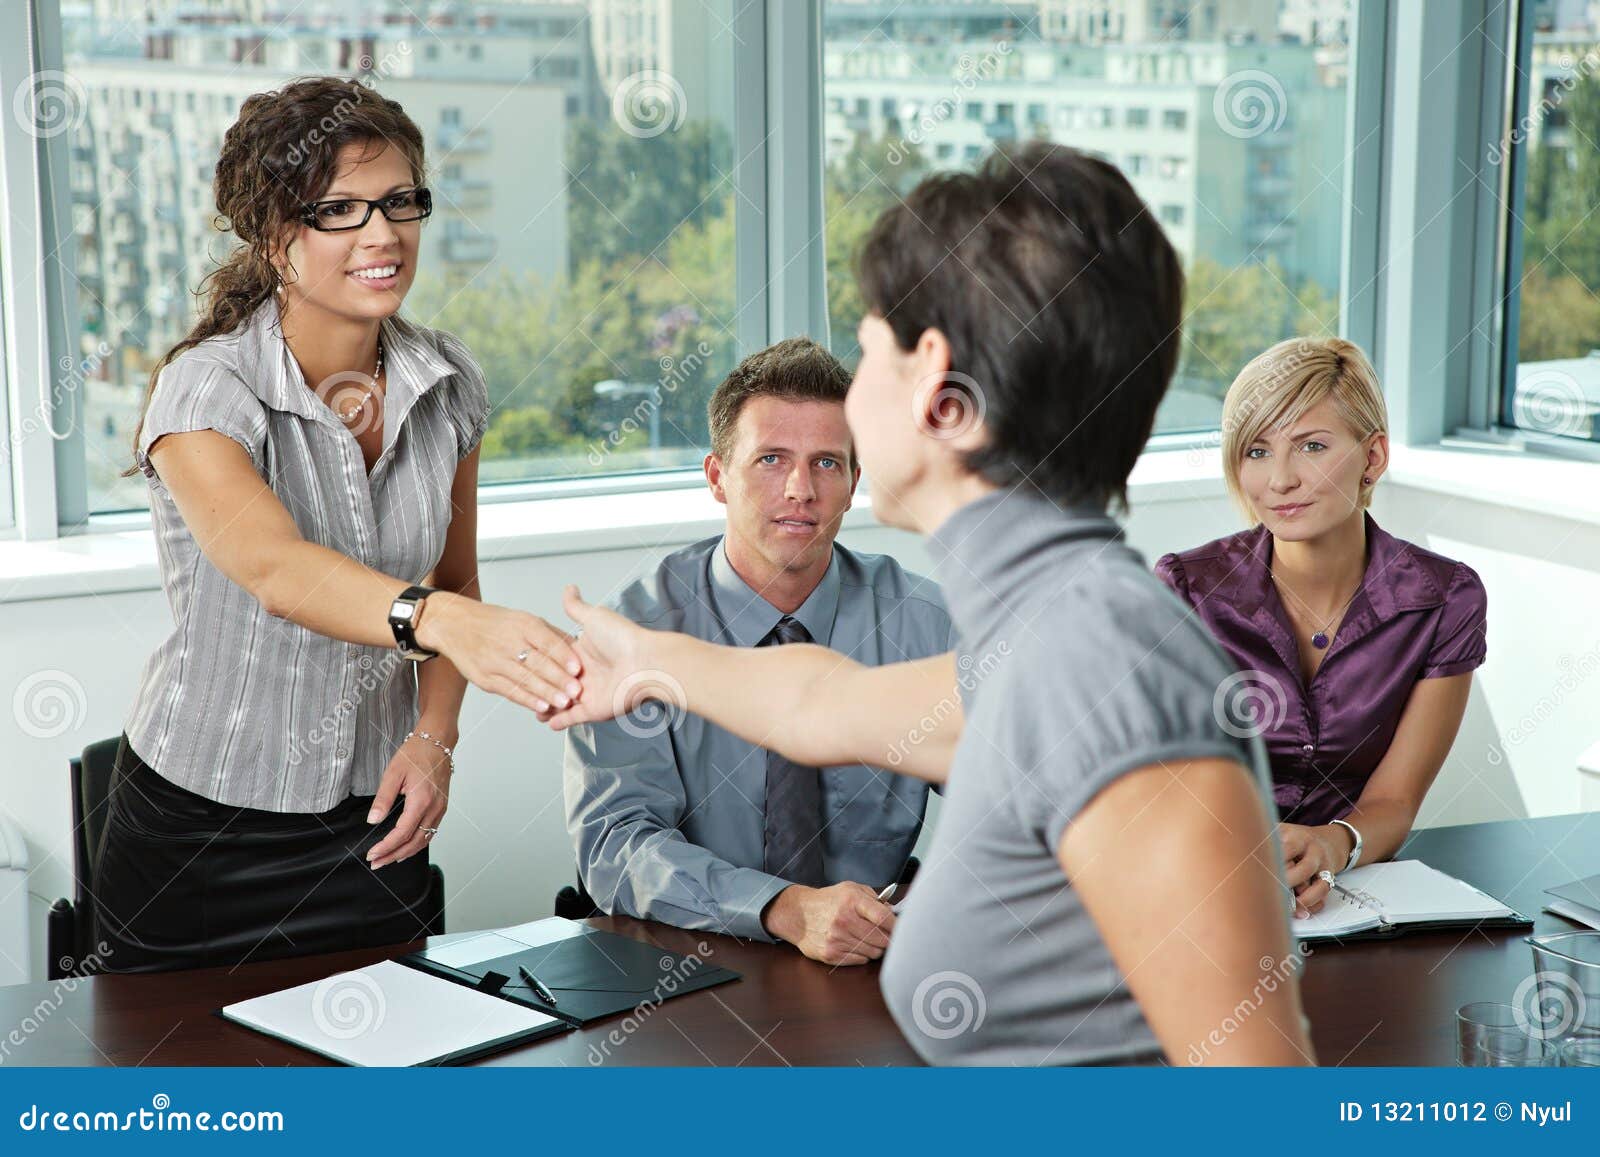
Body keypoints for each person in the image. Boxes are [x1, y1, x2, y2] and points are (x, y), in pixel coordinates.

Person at [543, 144, 1314, 1066]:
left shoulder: (1096, 657)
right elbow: (817, 701)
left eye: (870, 348)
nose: (809, 472)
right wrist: (646, 660)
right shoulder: (1042, 636)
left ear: (937, 388)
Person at [95, 78, 581, 973]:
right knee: (188, 1061)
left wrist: (434, 740)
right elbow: (277, 570)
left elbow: (456, 577)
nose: (382, 233)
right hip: (200, 835)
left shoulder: (448, 381)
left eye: (399, 201)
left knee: (391, 1049)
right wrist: (444, 621)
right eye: (339, 210)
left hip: (375, 821)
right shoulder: (207, 390)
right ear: (273, 236)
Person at [564, 339, 954, 965]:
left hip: (867, 961)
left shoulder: (926, 621)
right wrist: (782, 908)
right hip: (688, 963)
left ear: (854, 483)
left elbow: (1014, 800)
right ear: (717, 478)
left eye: (827, 463)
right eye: (771, 459)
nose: (801, 489)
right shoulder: (635, 634)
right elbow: (616, 846)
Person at [1155, 338, 1487, 918]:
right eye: (1257, 451)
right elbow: (1161, 783)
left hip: (1348, 897)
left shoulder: (1445, 599)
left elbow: (1394, 799)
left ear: (1373, 457)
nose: (1280, 479)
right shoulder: (1187, 590)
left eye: (1311, 446)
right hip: (1197, 887)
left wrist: (1333, 845)